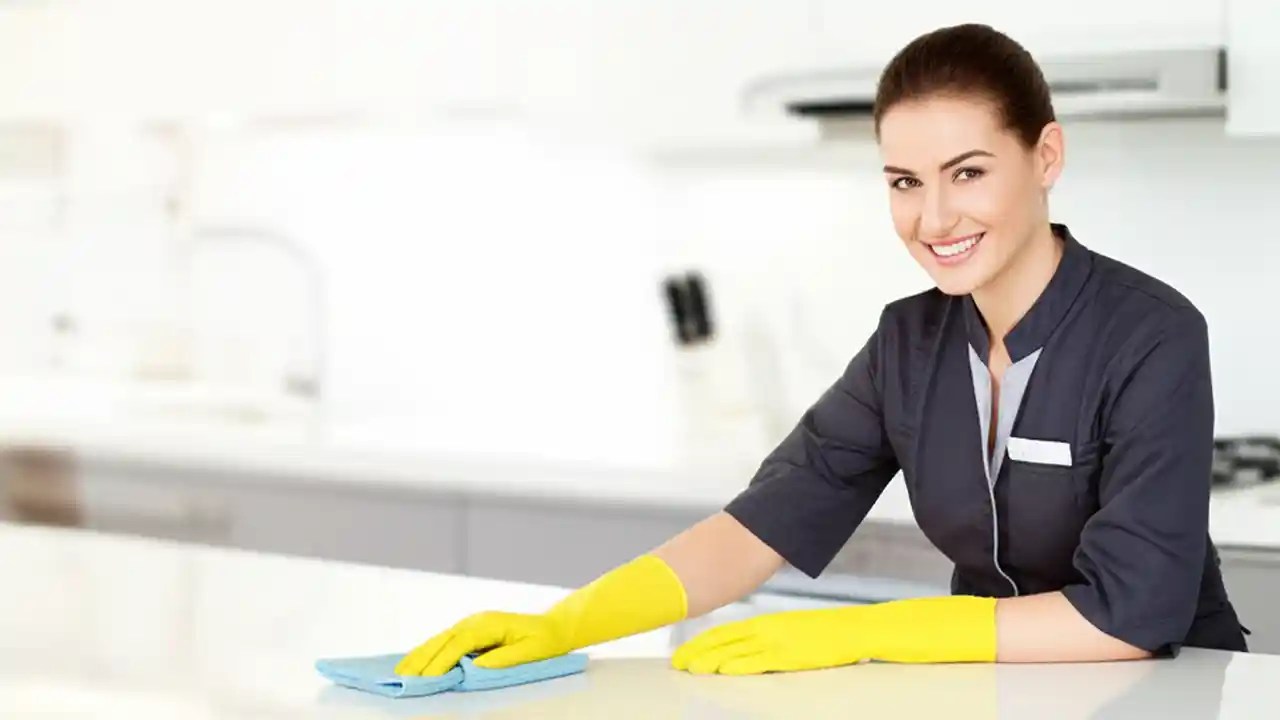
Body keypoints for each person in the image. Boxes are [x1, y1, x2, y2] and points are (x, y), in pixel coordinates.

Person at [394, 23, 1249, 678]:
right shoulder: (907, 344)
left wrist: (863, 629)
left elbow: (1129, 616)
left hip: (1175, 695)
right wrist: (567, 624)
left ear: (1046, 156)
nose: (934, 219)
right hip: (1002, 691)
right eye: (905, 184)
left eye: (968, 173)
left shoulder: (1151, 335)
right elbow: (757, 527)